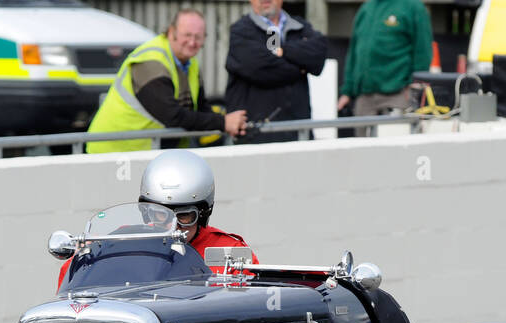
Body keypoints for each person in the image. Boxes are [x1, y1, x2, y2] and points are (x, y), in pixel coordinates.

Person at [56, 150, 257, 290]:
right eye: (162, 215)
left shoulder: (229, 249)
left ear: (203, 213)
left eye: (184, 216)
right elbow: (72, 281)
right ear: (147, 211)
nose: (174, 227)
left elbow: (246, 302)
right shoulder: (123, 240)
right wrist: (87, 257)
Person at [86, 9, 247, 153]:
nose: (192, 42)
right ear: (171, 32)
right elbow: (172, 116)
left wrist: (232, 123)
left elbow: (199, 108)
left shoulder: (190, 63)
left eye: (198, 37)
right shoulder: (151, 60)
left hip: (145, 152)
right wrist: (223, 122)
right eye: (187, 35)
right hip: (112, 151)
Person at [225, 0, 328, 144]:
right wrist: (301, 67)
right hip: (254, 137)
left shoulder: (300, 26)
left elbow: (318, 55)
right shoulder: (240, 31)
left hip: (298, 135)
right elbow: (262, 70)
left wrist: (282, 50)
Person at [337, 0, 432, 128]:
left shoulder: (413, 6)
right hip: (365, 97)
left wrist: (415, 84)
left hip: (397, 95)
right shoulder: (366, 7)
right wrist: (347, 91)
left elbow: (423, 50)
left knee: (396, 144)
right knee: (363, 146)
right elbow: (354, 52)